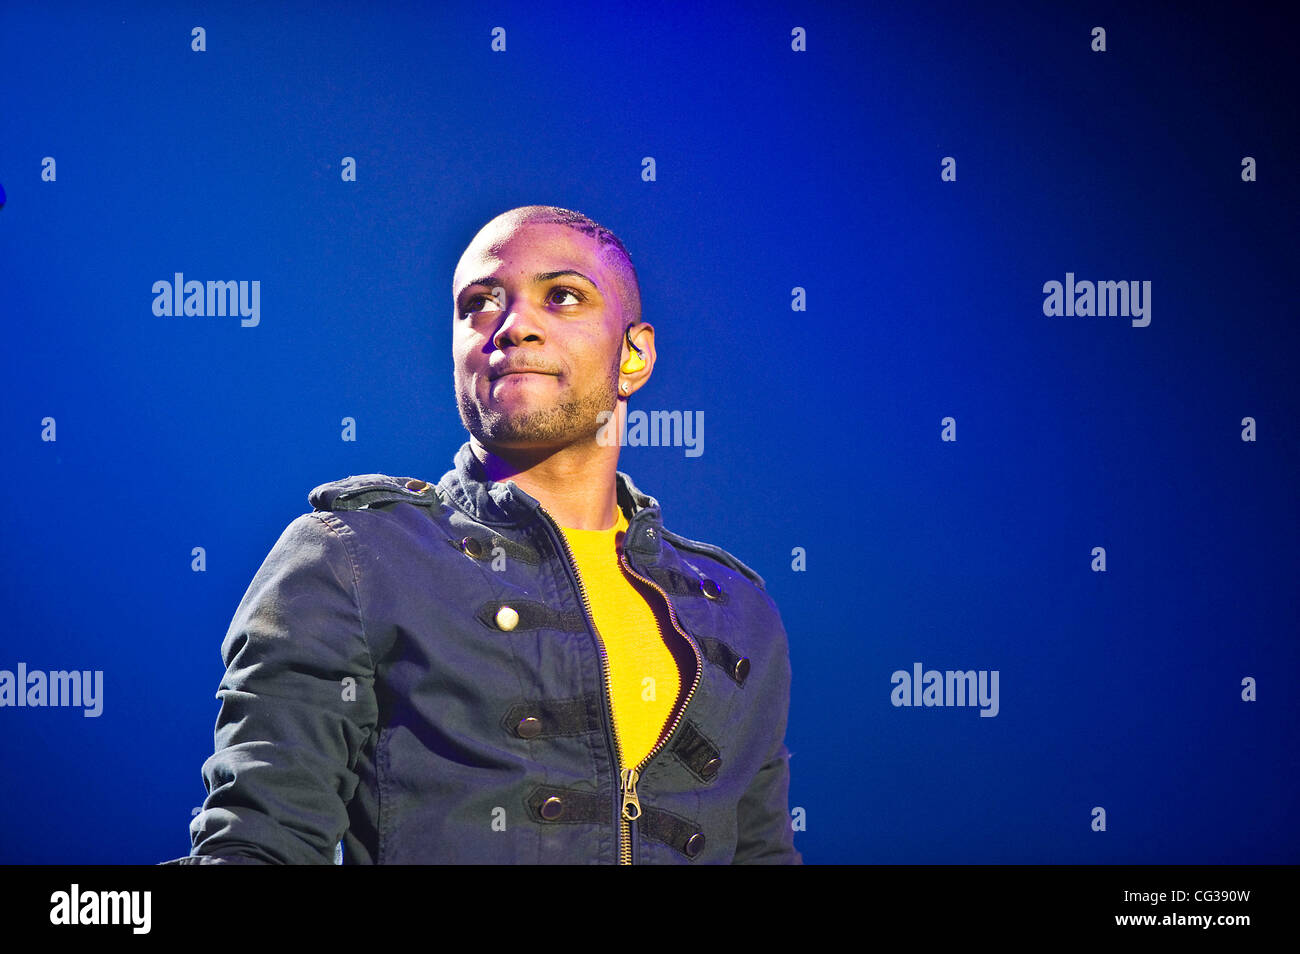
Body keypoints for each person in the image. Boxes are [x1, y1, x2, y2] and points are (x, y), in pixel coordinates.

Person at [165, 205, 800, 864]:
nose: (514, 325)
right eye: (479, 304)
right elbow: (257, 847)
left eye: (562, 297)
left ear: (634, 355)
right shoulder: (352, 559)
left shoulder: (737, 610)